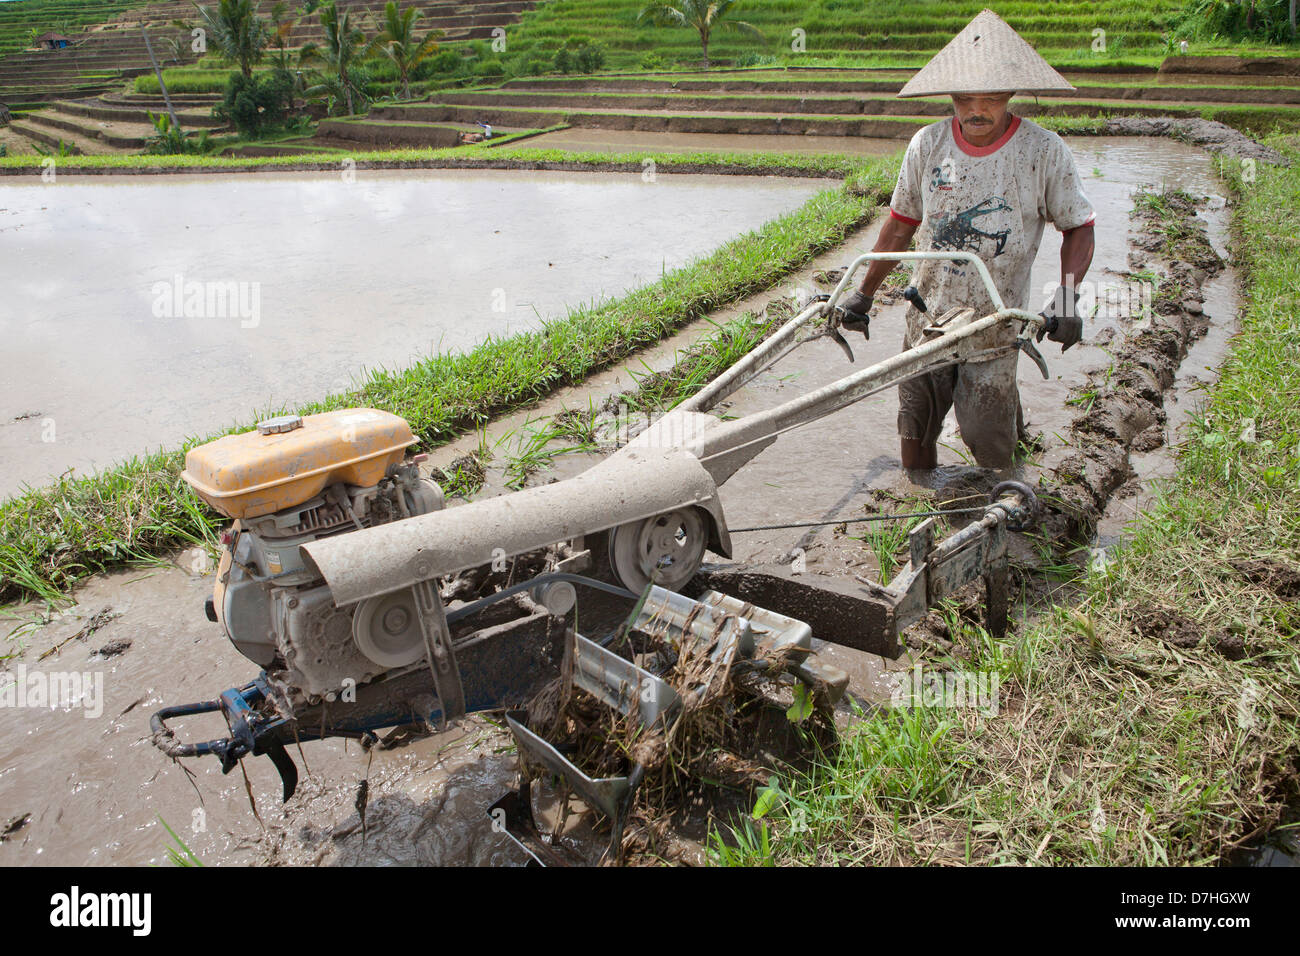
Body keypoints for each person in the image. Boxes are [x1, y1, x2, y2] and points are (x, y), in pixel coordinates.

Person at [837, 9, 1096, 471]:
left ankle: (1003, 512)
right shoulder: (927, 145)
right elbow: (900, 225)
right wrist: (863, 293)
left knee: (988, 444)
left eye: (991, 98)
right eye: (965, 98)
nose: (977, 110)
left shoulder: (1042, 151)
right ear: (951, 96)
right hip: (926, 317)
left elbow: (1078, 226)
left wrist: (1069, 297)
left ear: (1010, 95)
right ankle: (914, 502)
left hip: (994, 323)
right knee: (915, 431)